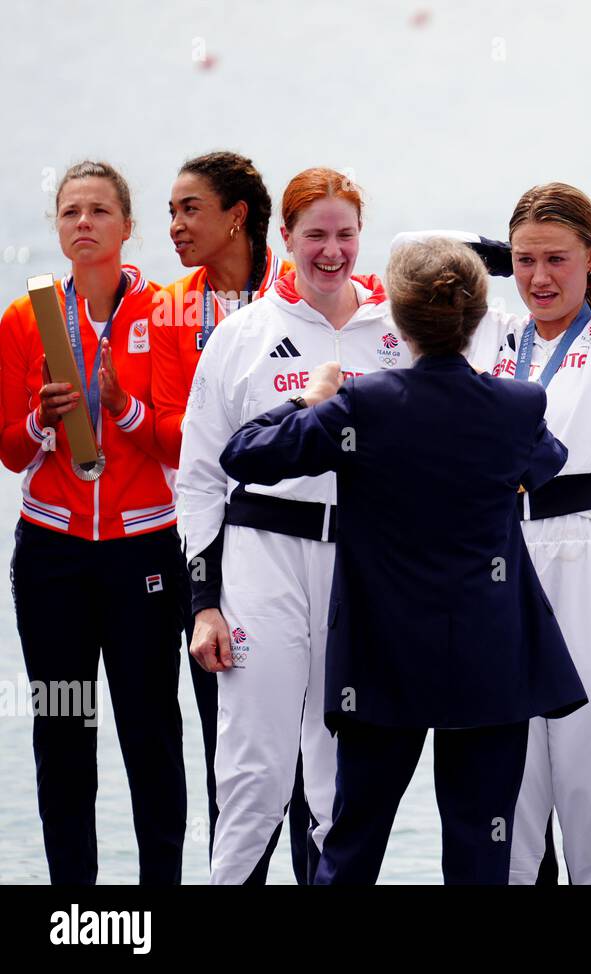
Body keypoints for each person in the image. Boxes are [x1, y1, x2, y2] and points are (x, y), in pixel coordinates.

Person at [220, 237, 586, 884]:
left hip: (381, 659)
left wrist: (309, 398)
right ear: (476, 321)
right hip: (487, 656)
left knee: (353, 843)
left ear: (395, 318)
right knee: (481, 851)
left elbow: (244, 456)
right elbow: (546, 462)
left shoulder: (362, 407)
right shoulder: (517, 405)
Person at [392, 184, 591, 884]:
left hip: (590, 564)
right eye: (524, 261)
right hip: (498, 568)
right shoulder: (492, 333)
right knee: (510, 827)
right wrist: (497, 258)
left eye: (556, 260)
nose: (537, 278)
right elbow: (408, 257)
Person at [176, 167, 410, 884]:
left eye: (345, 234)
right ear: (285, 238)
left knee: (338, 775)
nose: (331, 251)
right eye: (315, 235)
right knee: (255, 770)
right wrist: (203, 604)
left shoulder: (399, 331)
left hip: (363, 568)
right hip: (264, 560)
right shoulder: (241, 336)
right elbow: (200, 479)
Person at [0, 160, 186, 884]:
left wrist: (122, 408)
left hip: (142, 547)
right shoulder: (25, 317)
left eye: (100, 211)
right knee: (63, 730)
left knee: (150, 732)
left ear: (126, 227)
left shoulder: (166, 312)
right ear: (58, 226)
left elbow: (180, 438)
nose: (84, 222)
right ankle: (73, 903)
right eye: (71, 211)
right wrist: (40, 424)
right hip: (53, 555)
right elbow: (10, 453)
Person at [151, 150, 310, 882]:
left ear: (238, 217)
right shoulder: (168, 310)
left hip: (309, 557)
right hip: (201, 549)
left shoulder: (310, 290)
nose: (175, 225)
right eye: (172, 210)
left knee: (320, 765)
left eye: (190, 209)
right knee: (238, 758)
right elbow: (171, 435)